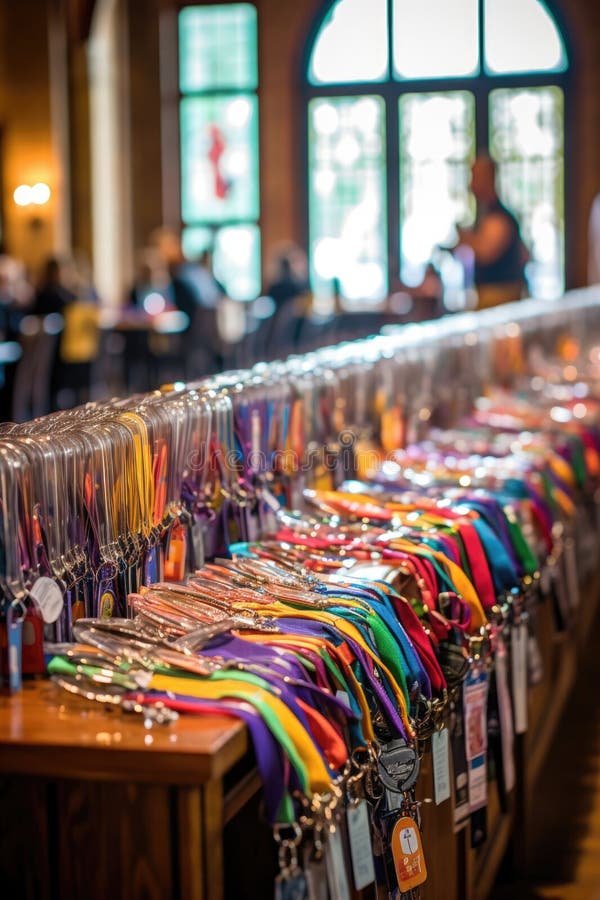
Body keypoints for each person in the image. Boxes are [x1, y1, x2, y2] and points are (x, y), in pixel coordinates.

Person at [456, 155, 529, 309]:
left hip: (499, 297)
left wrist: (466, 239)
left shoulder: (499, 216)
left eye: (475, 177)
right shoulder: (486, 214)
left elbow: (486, 252)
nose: (471, 184)